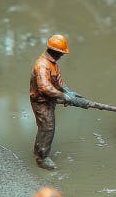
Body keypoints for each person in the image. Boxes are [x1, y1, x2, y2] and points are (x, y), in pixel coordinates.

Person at [29, 35, 86, 170]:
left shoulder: (53, 64)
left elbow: (59, 82)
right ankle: (41, 158)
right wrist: (64, 97)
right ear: (55, 51)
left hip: (50, 99)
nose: (62, 55)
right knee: (47, 127)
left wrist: (69, 92)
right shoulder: (42, 65)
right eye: (61, 52)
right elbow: (44, 87)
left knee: (45, 127)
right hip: (40, 101)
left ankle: (38, 150)